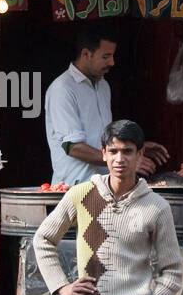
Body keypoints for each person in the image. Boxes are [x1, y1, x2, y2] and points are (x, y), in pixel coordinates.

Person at [32, 119, 183, 295]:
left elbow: (173, 272)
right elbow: (43, 239)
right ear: (103, 154)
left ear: (140, 155)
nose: (119, 159)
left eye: (127, 151)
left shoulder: (157, 208)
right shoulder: (80, 195)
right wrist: (61, 286)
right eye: (113, 151)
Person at [43, 25, 169, 185]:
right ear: (86, 54)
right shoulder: (63, 89)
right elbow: (72, 146)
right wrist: (122, 160)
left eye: (112, 56)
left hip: (105, 186)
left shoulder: (103, 86)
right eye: (106, 56)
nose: (112, 62)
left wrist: (133, 148)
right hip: (74, 188)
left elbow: (104, 139)